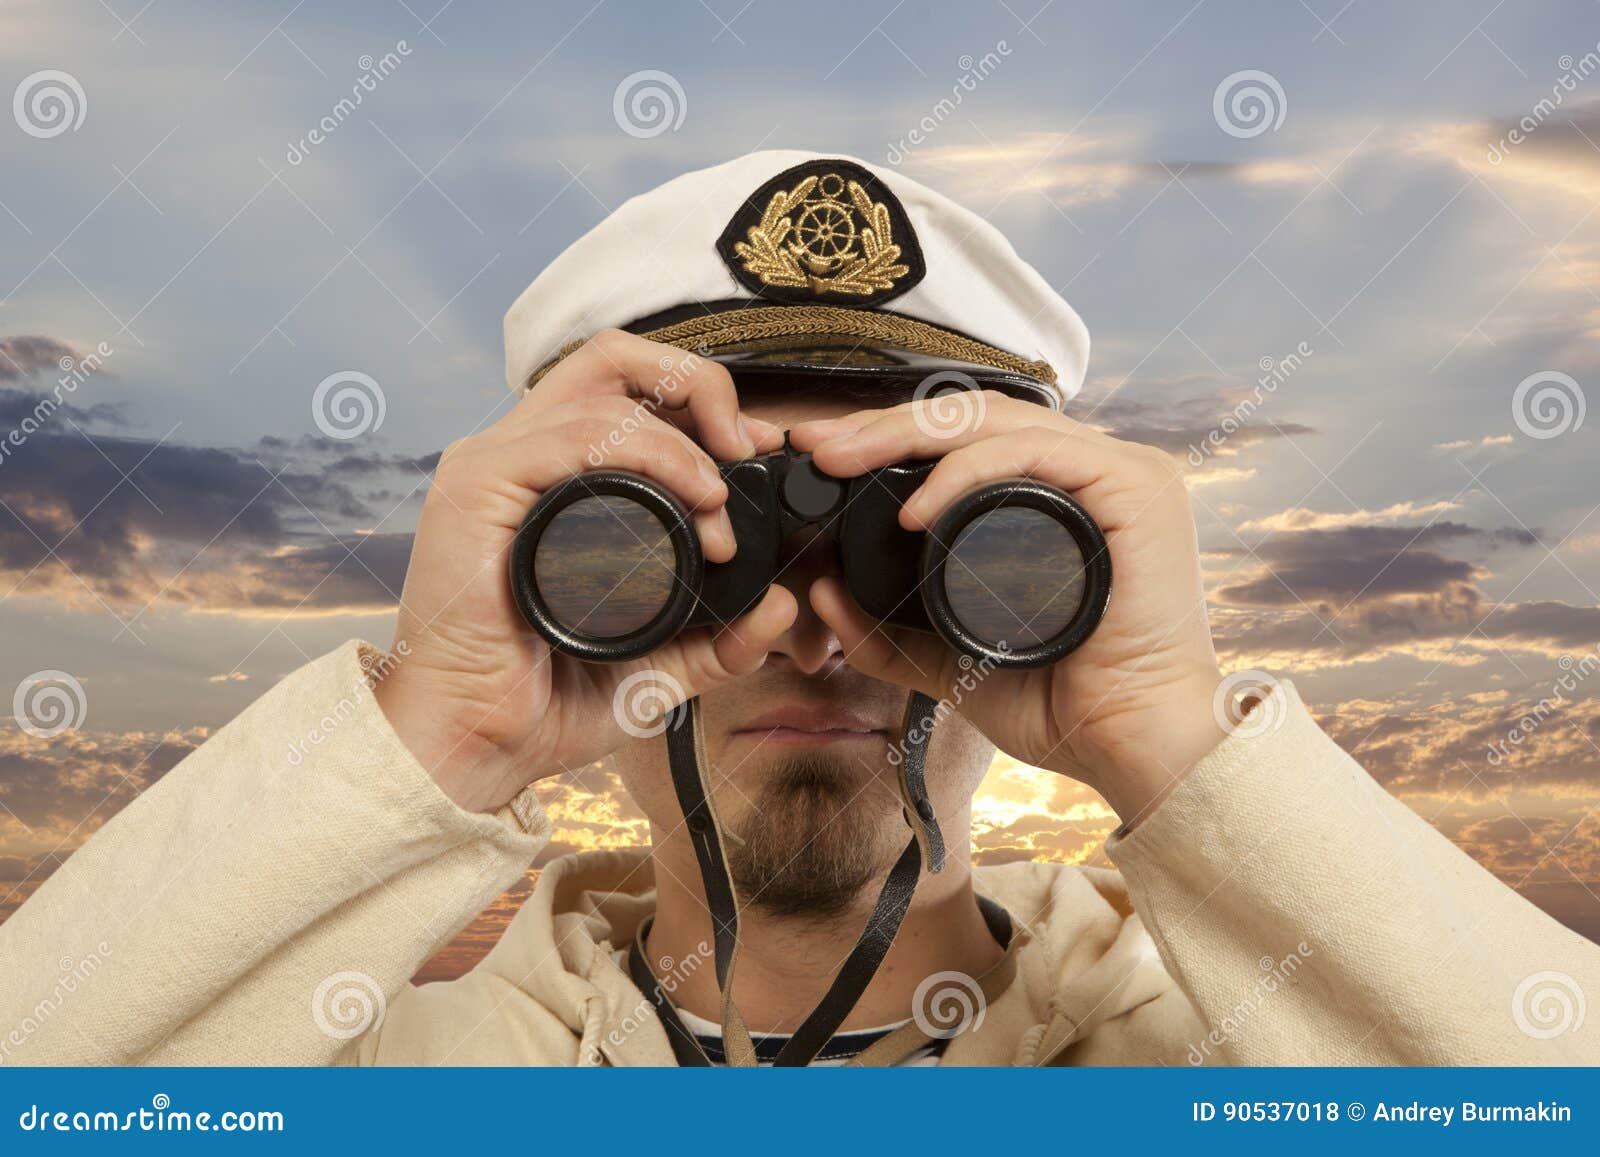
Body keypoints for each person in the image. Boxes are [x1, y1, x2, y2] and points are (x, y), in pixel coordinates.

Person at [2, 151, 1595, 1066]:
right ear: (563, 583)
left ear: (1050, 582)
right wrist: (439, 728)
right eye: (704, 540)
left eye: (921, 547)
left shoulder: (1230, 1066)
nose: (814, 627)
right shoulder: (371, 1070)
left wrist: (1170, 738)